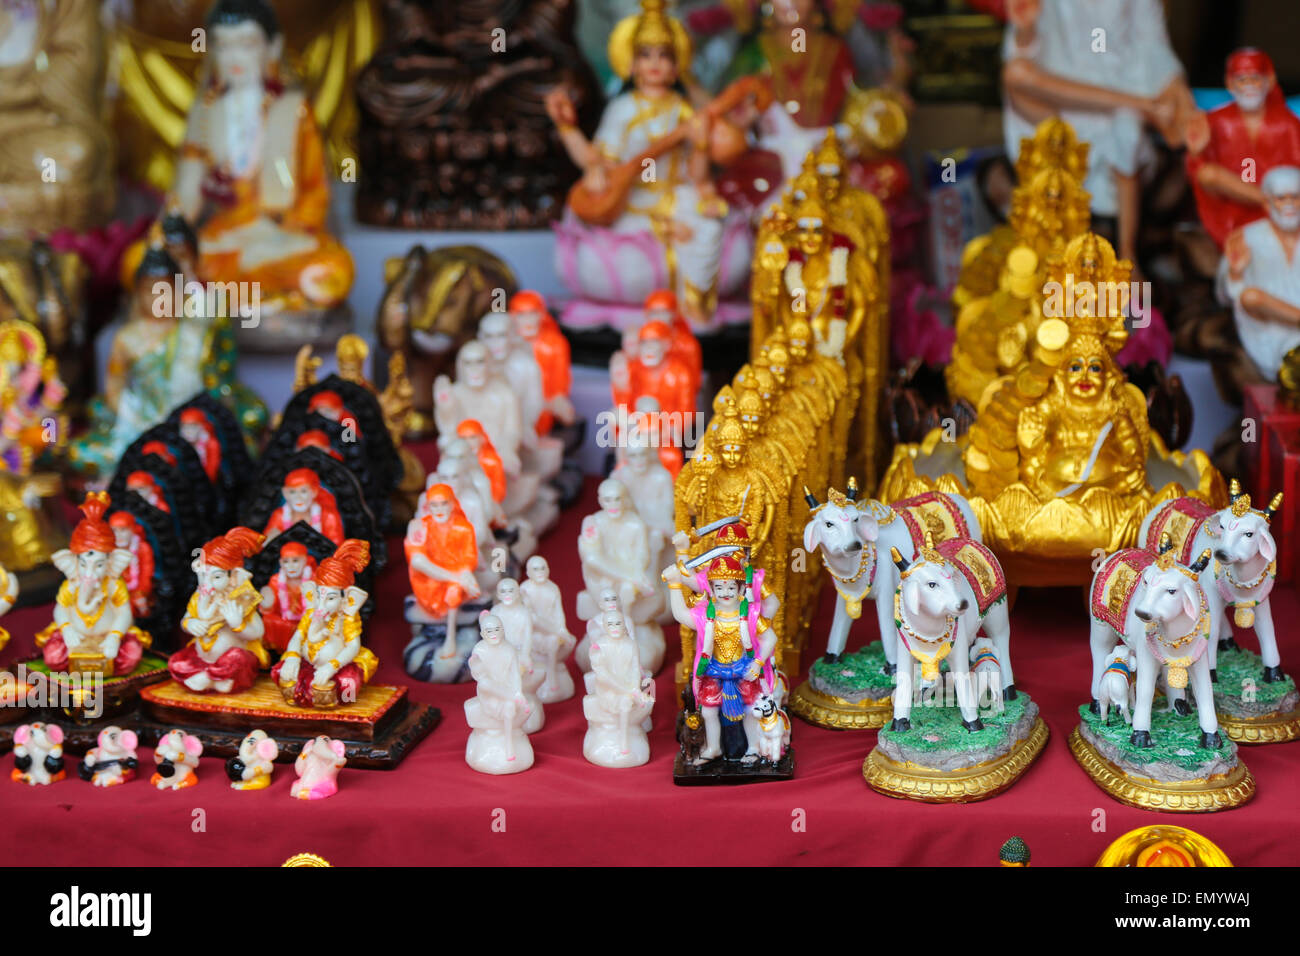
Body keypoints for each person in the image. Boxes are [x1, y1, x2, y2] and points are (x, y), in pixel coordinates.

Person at [1001, 0, 1193, 263]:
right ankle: (1140, 106)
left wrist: (1175, 90)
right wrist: (1026, 30)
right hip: (1060, 100)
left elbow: (1153, 47)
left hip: (1122, 91)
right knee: (1016, 74)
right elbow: (1020, 58)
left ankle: (1127, 252)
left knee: (1128, 132)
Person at [1187, 49, 1300, 248]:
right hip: (1229, 208)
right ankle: (1269, 200)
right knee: (1208, 173)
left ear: (1269, 80)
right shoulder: (1215, 120)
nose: (1249, 86)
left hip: (1282, 207)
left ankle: (1274, 202)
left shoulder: (1287, 123)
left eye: (1255, 79)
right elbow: (1200, 173)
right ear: (1230, 83)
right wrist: (1197, 150)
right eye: (1242, 80)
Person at [1221, 165, 1300, 380]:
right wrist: (1235, 273)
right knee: (1250, 297)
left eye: (1296, 197)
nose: (1290, 205)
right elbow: (1225, 296)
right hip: (1265, 332)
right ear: (1267, 202)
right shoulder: (1246, 237)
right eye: (1282, 198)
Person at [168, 527, 268, 694]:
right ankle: (214, 678)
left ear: (234, 576)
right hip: (203, 657)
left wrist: (238, 625)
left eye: (216, 577)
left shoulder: (241, 600)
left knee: (239, 660)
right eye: (203, 575)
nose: (207, 583)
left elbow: (258, 632)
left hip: (231, 659)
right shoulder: (199, 596)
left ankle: (210, 677)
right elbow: (187, 618)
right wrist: (190, 623)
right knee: (176, 662)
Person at [405, 484, 480, 660]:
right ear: (428, 506)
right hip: (427, 578)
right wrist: (461, 579)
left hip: (455, 572)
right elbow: (416, 559)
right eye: (434, 505)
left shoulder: (464, 528)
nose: (439, 509)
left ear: (453, 504)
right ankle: (456, 582)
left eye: (444, 504)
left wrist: (465, 573)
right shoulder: (420, 526)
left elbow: (470, 558)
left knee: (453, 589)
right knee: (418, 561)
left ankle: (450, 636)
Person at [259, 541, 315, 654]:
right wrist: (267, 604)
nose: (291, 566)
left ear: (305, 561)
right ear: (281, 563)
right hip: (284, 622)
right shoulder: (276, 580)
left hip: (308, 621)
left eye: (295, 561)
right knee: (267, 620)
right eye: (286, 562)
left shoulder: (314, 579)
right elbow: (270, 610)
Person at [263, 468, 344, 544]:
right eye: (292, 492)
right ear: (285, 493)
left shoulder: (329, 515)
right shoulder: (279, 515)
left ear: (314, 492)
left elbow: (336, 547)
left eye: (303, 491)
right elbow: (265, 544)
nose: (298, 497)